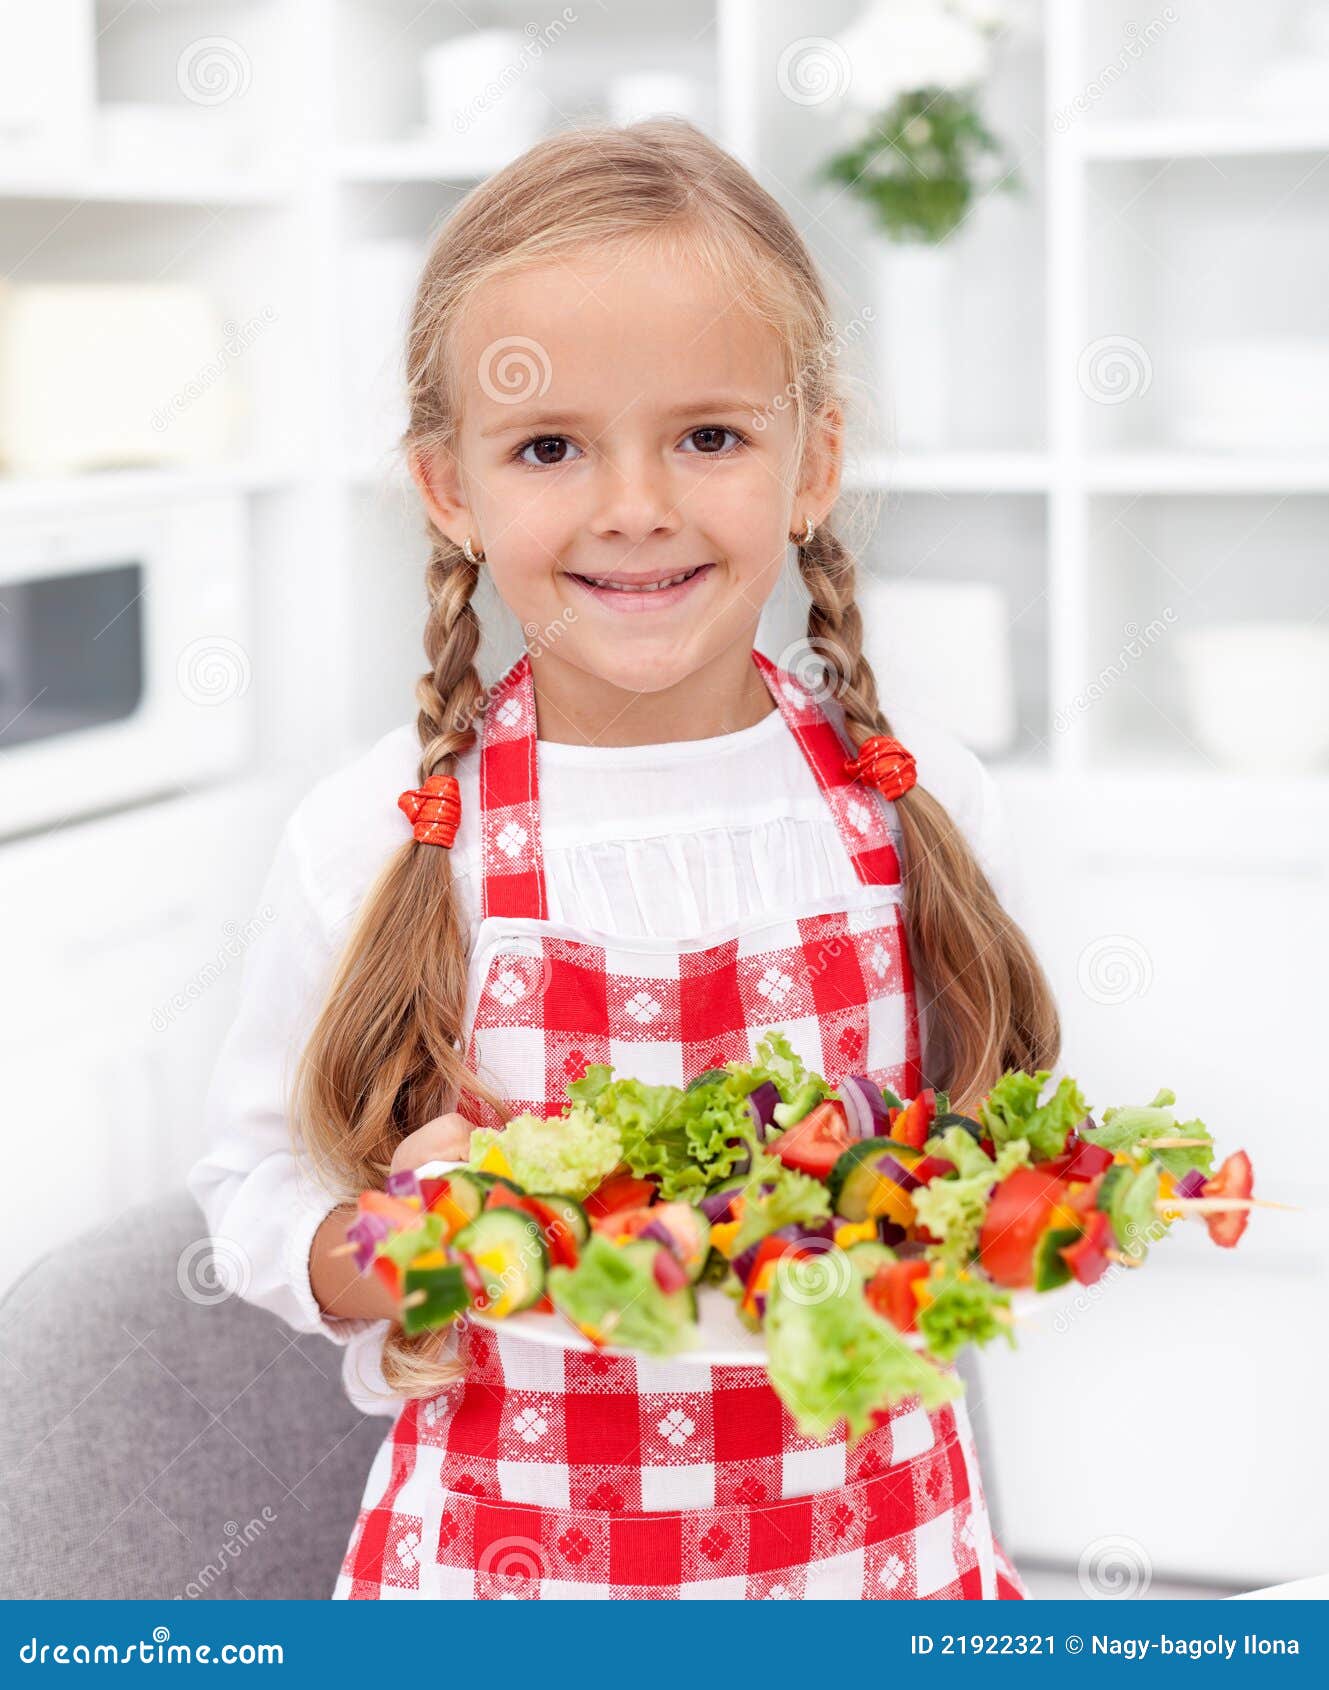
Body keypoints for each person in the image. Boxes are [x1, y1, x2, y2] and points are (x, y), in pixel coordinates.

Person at [189, 118, 1059, 1600]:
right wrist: (390, 1245)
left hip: (880, 1568)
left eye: (708, 436)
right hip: (508, 1586)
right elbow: (252, 1180)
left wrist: (1010, 1200)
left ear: (812, 464)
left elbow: (992, 1142)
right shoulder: (380, 834)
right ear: (449, 488)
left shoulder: (917, 799)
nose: (636, 505)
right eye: (548, 446)